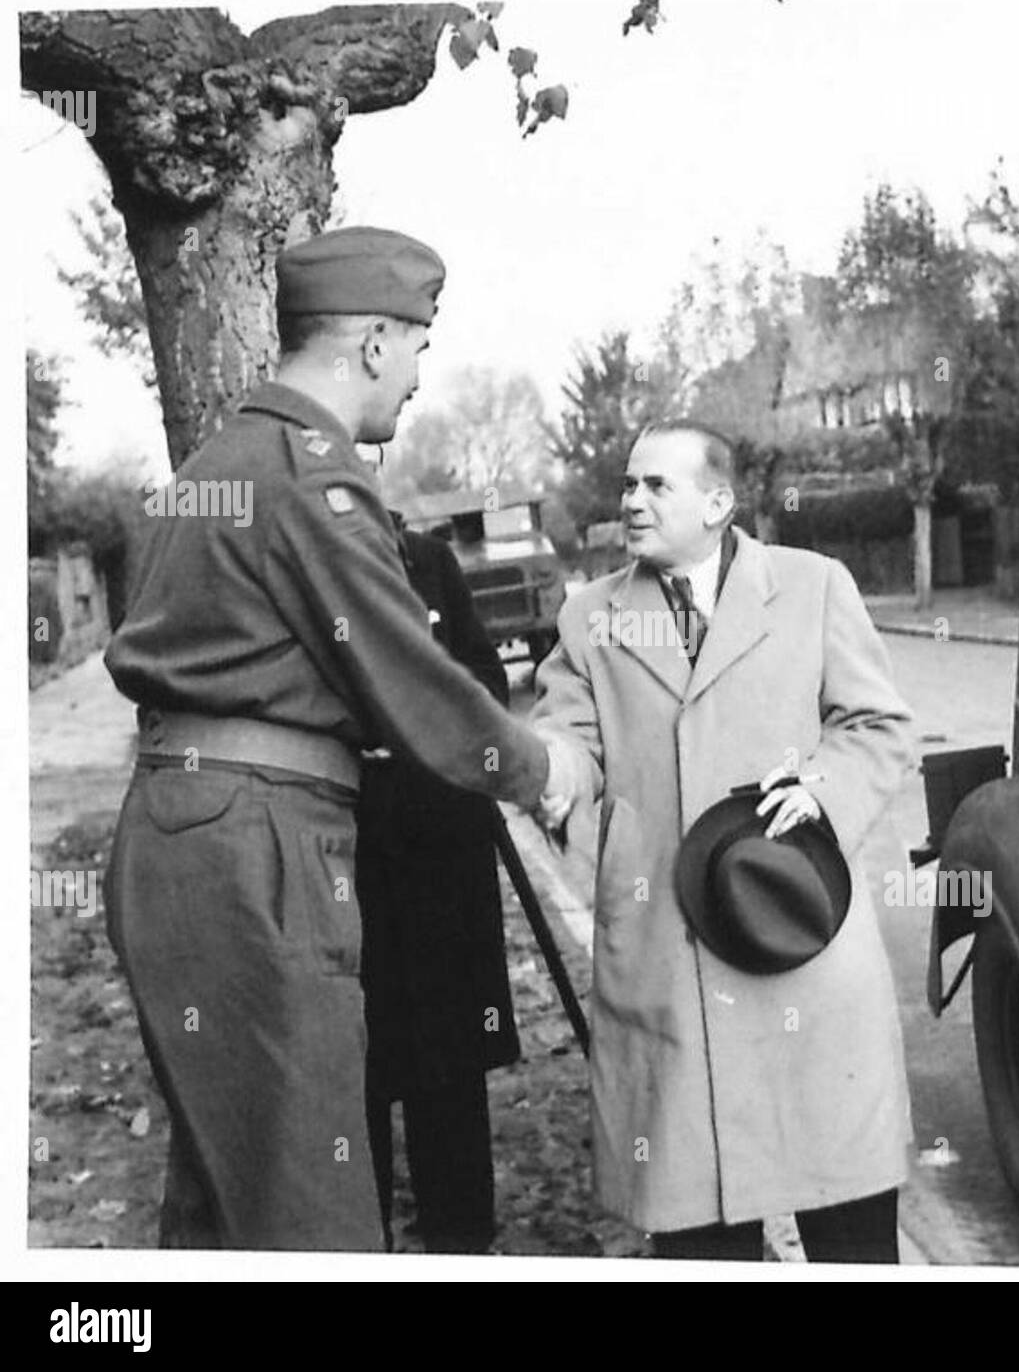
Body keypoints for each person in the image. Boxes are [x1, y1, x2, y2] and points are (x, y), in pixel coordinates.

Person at [104, 226, 573, 1251]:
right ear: (370, 343)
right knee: (313, 1216)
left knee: (228, 1205)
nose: (413, 379)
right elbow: (412, 683)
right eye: (416, 348)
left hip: (197, 837)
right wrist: (544, 769)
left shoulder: (226, 457)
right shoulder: (311, 472)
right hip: (253, 849)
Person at [532, 420, 915, 1262]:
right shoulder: (588, 618)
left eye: (655, 486)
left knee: (851, 1232)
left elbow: (878, 726)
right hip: (669, 954)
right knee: (701, 1242)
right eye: (627, 485)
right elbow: (568, 739)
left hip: (797, 940)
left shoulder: (813, 587)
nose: (631, 501)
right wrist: (551, 772)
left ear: (717, 501)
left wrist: (821, 790)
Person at [357, 511, 518, 1254]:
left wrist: (431, 708)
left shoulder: (429, 562)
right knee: (355, 1070)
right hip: (345, 854)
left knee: (450, 1072)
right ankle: (363, 1245)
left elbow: (487, 679)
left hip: (443, 854)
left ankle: (461, 1245)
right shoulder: (302, 567)